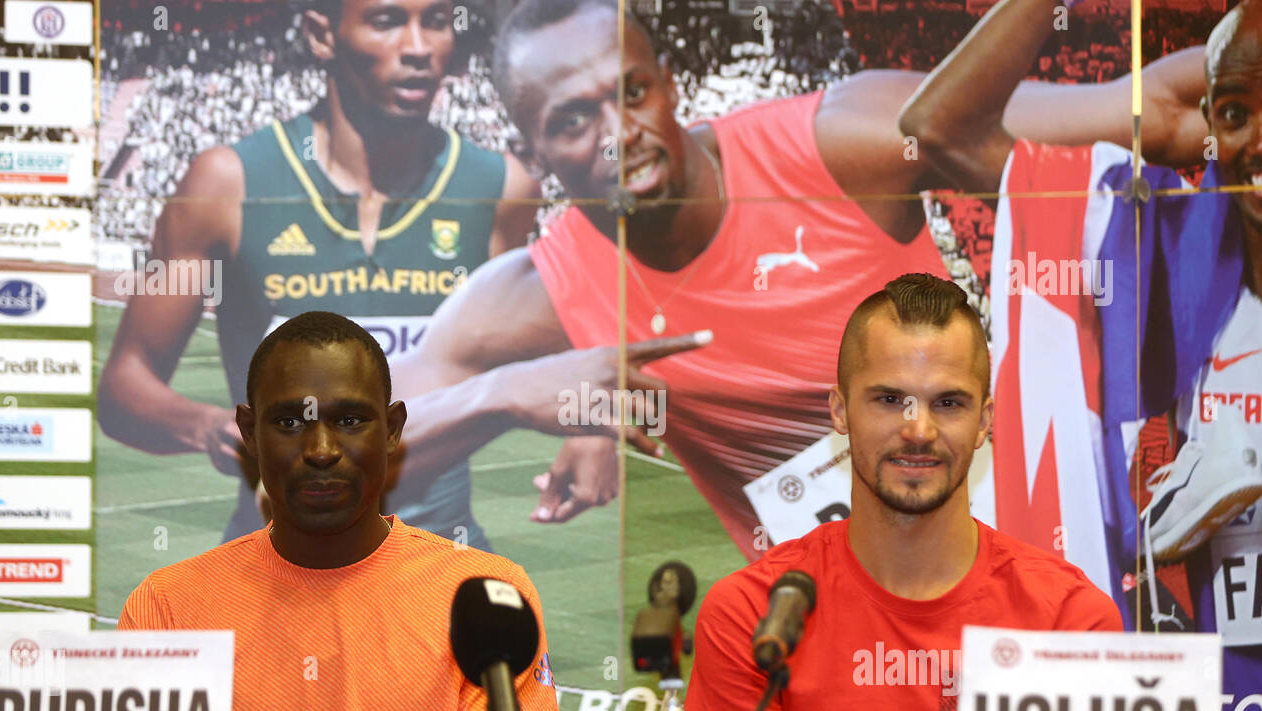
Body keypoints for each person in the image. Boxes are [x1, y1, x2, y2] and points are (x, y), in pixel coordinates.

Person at [379, 0, 1210, 560]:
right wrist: (508, 394)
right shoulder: (539, 294)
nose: (620, 134)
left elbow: (1140, 108)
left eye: (632, 93)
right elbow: (340, 456)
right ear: (525, 154)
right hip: (830, 628)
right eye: (573, 121)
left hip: (1013, 555)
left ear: (669, 85)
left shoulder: (840, 146)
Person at [900, 0, 1262, 711]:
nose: (1260, 140)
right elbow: (936, 128)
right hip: (1194, 705)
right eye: (1238, 112)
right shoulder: (1147, 252)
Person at [98, 0, 541, 550]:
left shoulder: (498, 189)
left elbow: (542, 355)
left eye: (435, 22)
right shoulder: (225, 186)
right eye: (386, 21)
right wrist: (217, 430)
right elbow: (125, 385)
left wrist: (589, 432)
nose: (420, 48)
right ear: (321, 34)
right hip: (278, 569)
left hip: (439, 568)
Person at [682, 274, 1123, 711]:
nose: (918, 430)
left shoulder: (1070, 620)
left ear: (985, 420)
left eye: (949, 403)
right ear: (840, 410)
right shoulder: (755, 615)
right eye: (891, 399)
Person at [118, 312, 564, 711]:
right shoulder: (168, 607)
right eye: (290, 422)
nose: (322, 450)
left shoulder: (486, 596)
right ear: (249, 431)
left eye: (350, 420)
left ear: (393, 428)